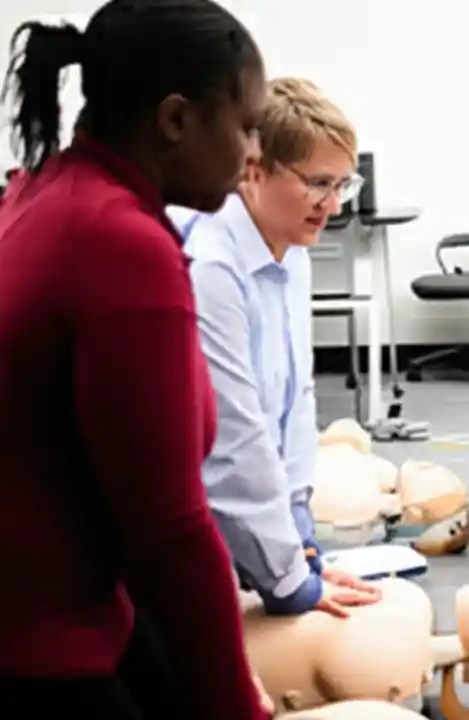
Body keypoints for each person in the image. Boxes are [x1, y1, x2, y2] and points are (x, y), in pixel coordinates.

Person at [0, 1, 269, 718]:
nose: (253, 153)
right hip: (41, 649)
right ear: (175, 119)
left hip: (71, 606)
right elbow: (170, 534)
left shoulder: (46, 190)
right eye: (245, 126)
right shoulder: (119, 243)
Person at [175, 77, 381, 618]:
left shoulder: (290, 248)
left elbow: (292, 401)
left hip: (227, 507)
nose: (332, 205)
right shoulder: (210, 265)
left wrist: (299, 535)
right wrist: (291, 583)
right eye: (317, 184)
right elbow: (232, 438)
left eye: (342, 185)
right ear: (253, 170)